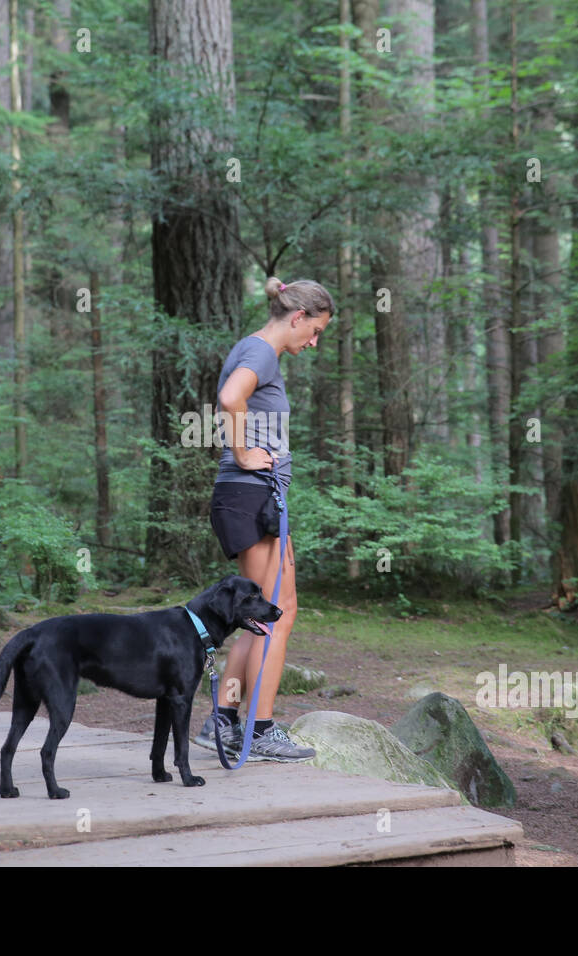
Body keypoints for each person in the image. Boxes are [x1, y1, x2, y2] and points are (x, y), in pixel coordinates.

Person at [194, 276, 334, 762]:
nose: (313, 343)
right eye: (314, 331)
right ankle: (260, 729)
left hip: (252, 499)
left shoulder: (252, 349)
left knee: (263, 615)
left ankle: (226, 720)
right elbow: (231, 399)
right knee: (278, 613)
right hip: (249, 495)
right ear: (297, 317)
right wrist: (243, 452)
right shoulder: (261, 355)